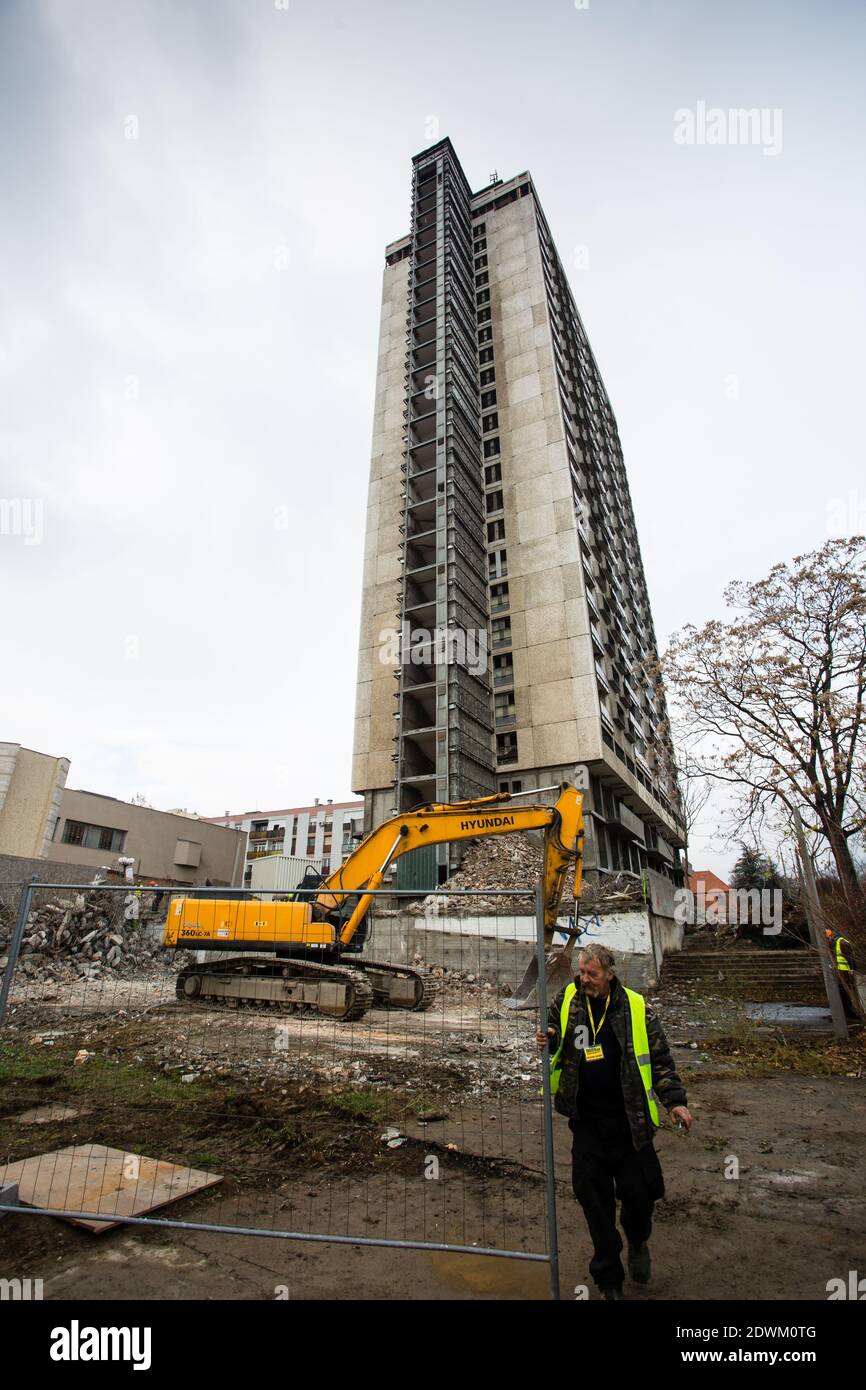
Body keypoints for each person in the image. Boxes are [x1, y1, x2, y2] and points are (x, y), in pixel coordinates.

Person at [536, 942, 692, 1300]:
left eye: (591, 973)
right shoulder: (569, 1000)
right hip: (587, 1122)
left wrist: (675, 1102)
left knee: (641, 1194)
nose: (584, 979)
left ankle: (638, 1239)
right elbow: (549, 1022)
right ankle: (609, 1279)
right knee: (594, 1200)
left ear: (609, 973)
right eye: (581, 971)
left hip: (630, 1122)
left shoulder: (635, 1008)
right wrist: (548, 1035)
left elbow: (660, 1058)